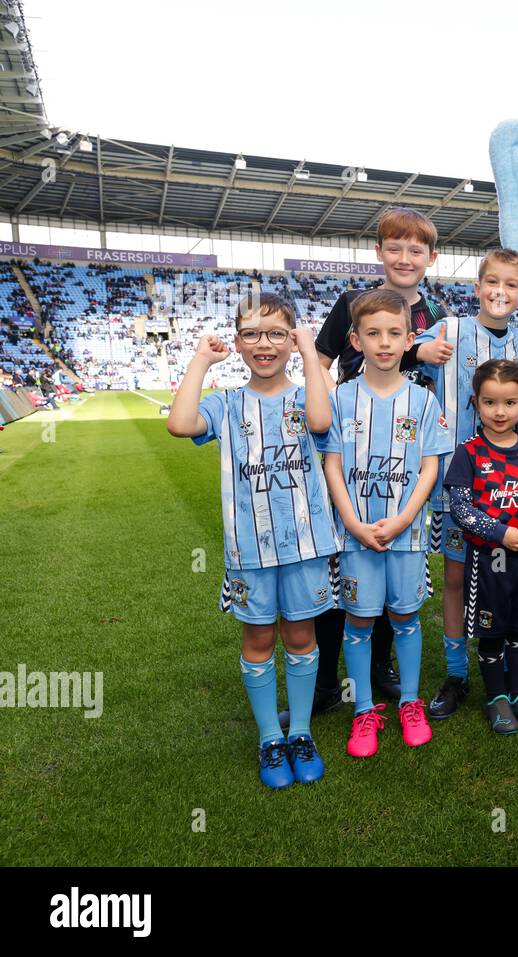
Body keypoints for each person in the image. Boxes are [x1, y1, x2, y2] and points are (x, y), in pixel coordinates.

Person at [166, 292, 339, 789]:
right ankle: (269, 737)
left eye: (277, 334)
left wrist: (310, 354)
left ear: (291, 339)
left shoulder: (307, 398)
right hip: (251, 552)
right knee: (260, 638)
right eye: (252, 334)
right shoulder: (226, 404)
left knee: (302, 637)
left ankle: (301, 732)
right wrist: (201, 359)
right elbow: (180, 425)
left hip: (306, 545)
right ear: (238, 342)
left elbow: (323, 422)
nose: (265, 344)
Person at [309, 207, 448, 717]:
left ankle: (384, 671)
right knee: (346, 581)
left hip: (408, 446)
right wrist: (331, 407)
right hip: (353, 440)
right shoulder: (352, 303)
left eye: (416, 250)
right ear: (379, 251)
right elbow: (320, 365)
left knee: (397, 589)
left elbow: (444, 375)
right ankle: (329, 684)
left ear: (431, 258)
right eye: (395, 248)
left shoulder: (436, 314)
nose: (405, 258)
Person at [412, 249, 518, 721]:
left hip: (510, 488)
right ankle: (457, 673)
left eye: (510, 286)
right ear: (477, 287)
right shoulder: (451, 329)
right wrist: (418, 351)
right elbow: (394, 349)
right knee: (456, 578)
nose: (500, 292)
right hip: (457, 483)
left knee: (505, 579)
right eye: (492, 283)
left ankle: (504, 676)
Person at [443, 359, 518, 735]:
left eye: (509, 403)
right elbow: (459, 507)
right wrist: (498, 532)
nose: (500, 411)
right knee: (492, 631)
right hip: (488, 561)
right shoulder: (469, 453)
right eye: (490, 402)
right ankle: (496, 698)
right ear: (476, 402)